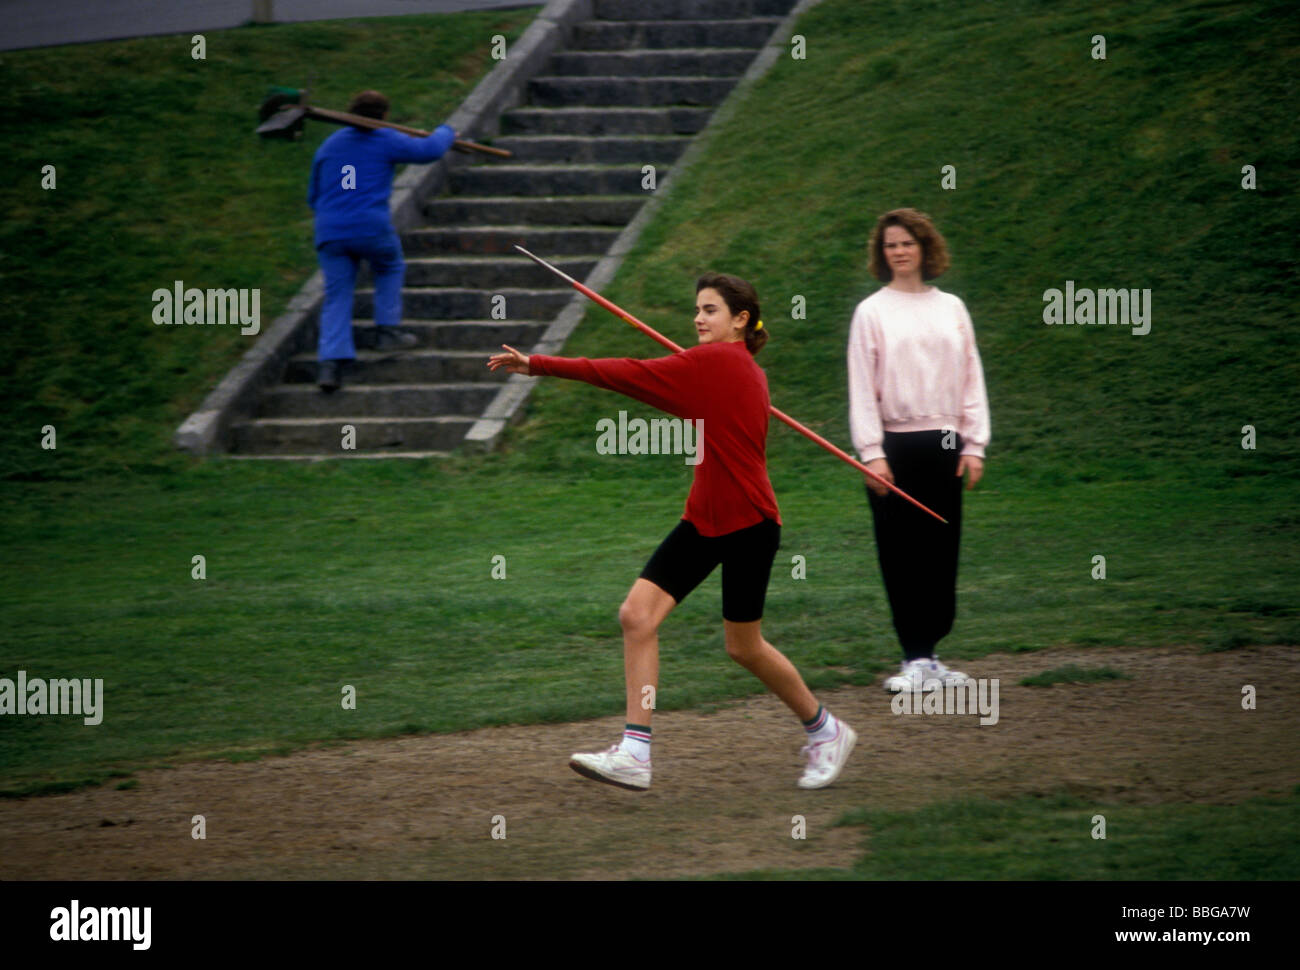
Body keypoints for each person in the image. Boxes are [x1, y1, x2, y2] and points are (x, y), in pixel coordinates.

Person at [488, 274, 857, 791]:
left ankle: (826, 730)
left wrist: (539, 364)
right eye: (697, 310)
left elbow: (626, 373)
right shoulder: (734, 368)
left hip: (749, 523)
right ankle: (636, 752)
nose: (698, 319)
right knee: (638, 616)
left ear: (740, 320)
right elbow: (661, 388)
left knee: (744, 647)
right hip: (705, 521)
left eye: (710, 310)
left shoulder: (721, 362)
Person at [847, 208, 991, 693]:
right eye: (890, 244)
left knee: (940, 550)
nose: (899, 251)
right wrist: (872, 452)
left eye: (907, 242)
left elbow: (972, 377)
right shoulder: (872, 311)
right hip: (894, 446)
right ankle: (913, 658)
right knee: (901, 552)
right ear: (881, 254)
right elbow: (862, 386)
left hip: (947, 444)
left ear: (925, 248)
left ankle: (932, 655)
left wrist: (974, 445)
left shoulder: (951, 306)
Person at [308, 90, 456, 392]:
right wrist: (447, 130)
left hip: (330, 230)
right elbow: (429, 150)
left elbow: (313, 195)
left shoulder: (329, 145)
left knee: (337, 293)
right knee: (389, 267)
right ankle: (387, 331)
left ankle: (330, 364)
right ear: (384, 115)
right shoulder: (386, 138)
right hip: (370, 227)